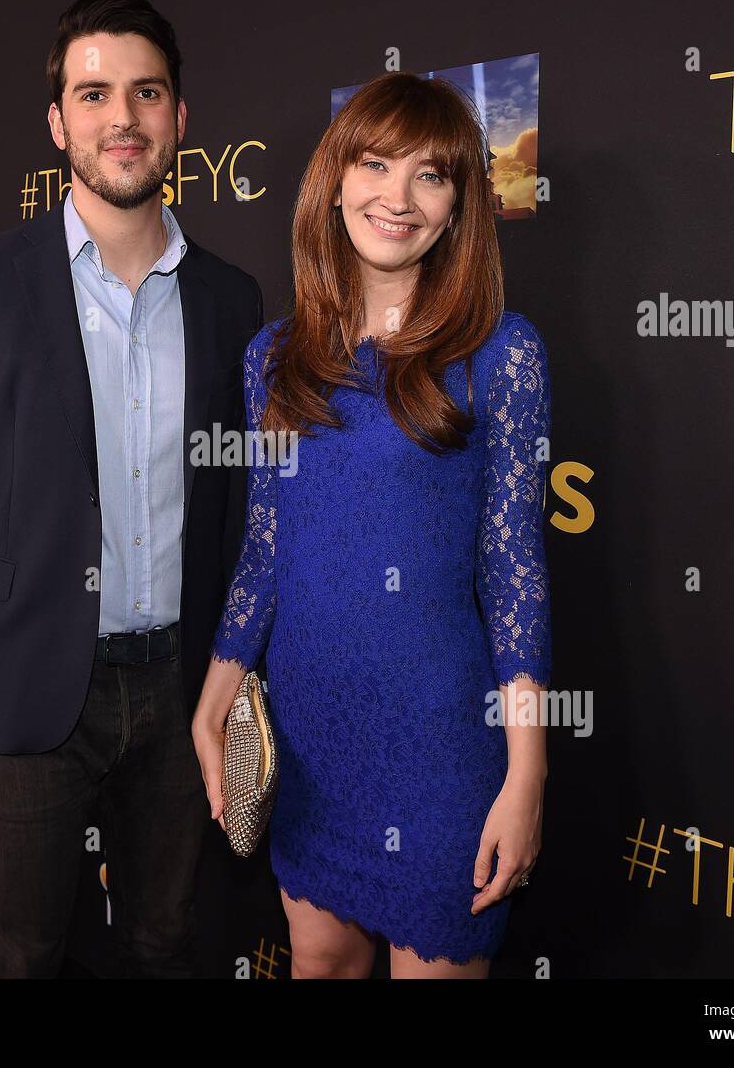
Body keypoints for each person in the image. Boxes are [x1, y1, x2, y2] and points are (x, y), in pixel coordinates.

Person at [0, 0, 262, 978]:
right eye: (92, 92)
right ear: (58, 122)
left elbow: (239, 516)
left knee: (169, 944)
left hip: (187, 687)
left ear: (180, 117)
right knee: (16, 953)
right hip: (26, 690)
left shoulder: (233, 299)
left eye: (146, 92)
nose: (122, 118)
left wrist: (242, 672)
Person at [192, 71, 552, 979]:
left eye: (431, 175)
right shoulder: (272, 358)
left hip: (438, 745)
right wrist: (216, 690)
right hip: (311, 732)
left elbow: (514, 575)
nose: (397, 196)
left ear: (459, 205)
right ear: (334, 178)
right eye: (376, 162)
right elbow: (268, 547)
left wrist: (526, 775)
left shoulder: (500, 354)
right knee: (315, 962)